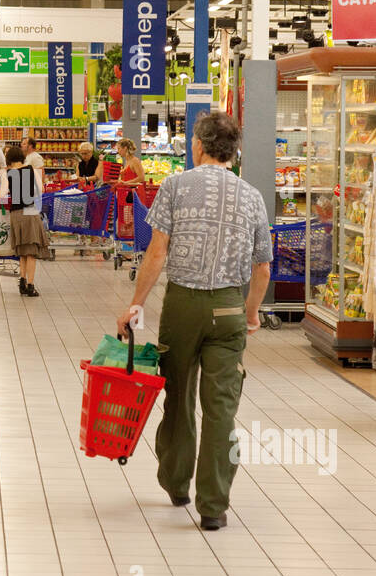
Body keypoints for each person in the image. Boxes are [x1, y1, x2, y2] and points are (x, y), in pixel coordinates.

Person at [115, 111, 271, 532]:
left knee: (179, 396)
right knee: (221, 409)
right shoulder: (253, 197)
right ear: (233, 152)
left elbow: (157, 253)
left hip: (182, 306)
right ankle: (214, 505)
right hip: (228, 309)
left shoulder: (174, 186)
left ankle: (176, 483)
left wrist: (135, 305)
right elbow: (262, 269)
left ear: (198, 146)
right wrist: (251, 311)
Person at [5, 145, 49, 296]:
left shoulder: (8, 173)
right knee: (31, 252)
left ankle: (22, 281)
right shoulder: (30, 169)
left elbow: (4, 192)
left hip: (15, 213)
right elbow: (41, 190)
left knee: (22, 251)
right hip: (30, 211)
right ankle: (30, 285)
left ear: (9, 159)